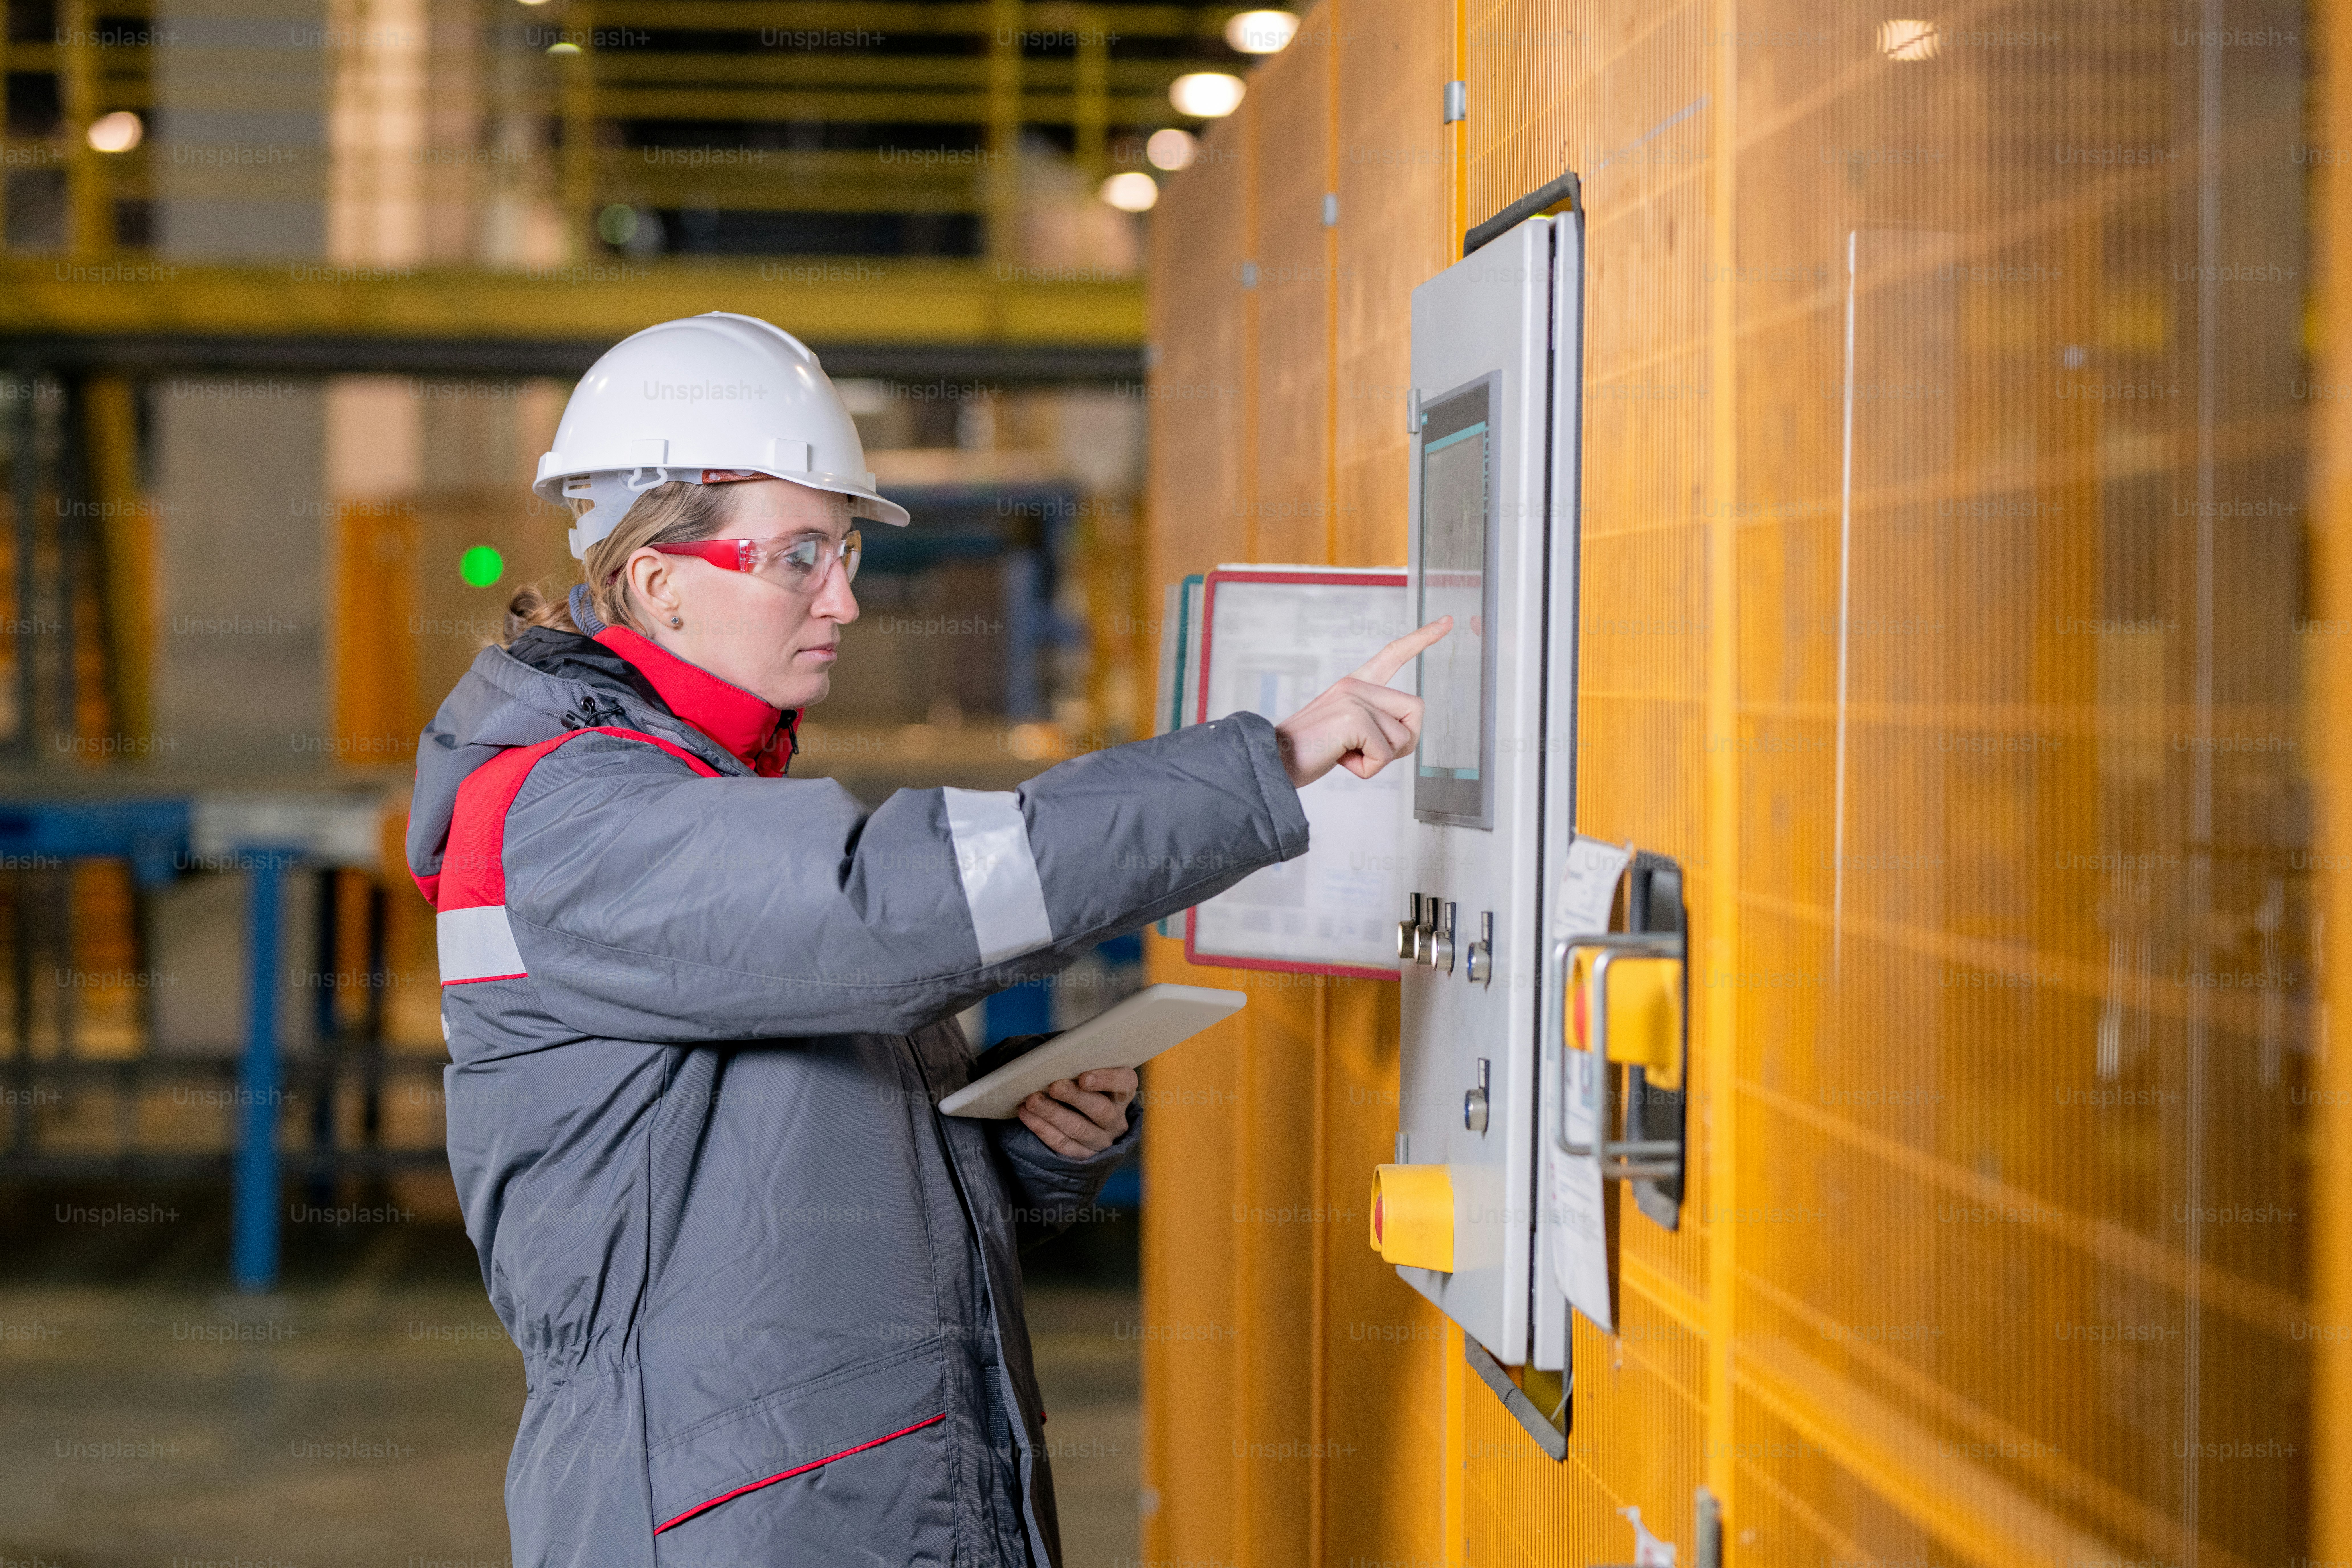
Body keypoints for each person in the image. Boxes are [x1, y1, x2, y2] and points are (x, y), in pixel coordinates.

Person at [407, 312, 1447, 1568]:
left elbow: (779, 1196)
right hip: (730, 1519)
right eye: (795, 555)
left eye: (842, 549)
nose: (843, 597)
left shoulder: (702, 797)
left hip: (851, 1492)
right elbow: (895, 909)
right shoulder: (579, 815)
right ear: (657, 576)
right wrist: (1265, 766)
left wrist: (1023, 1147)